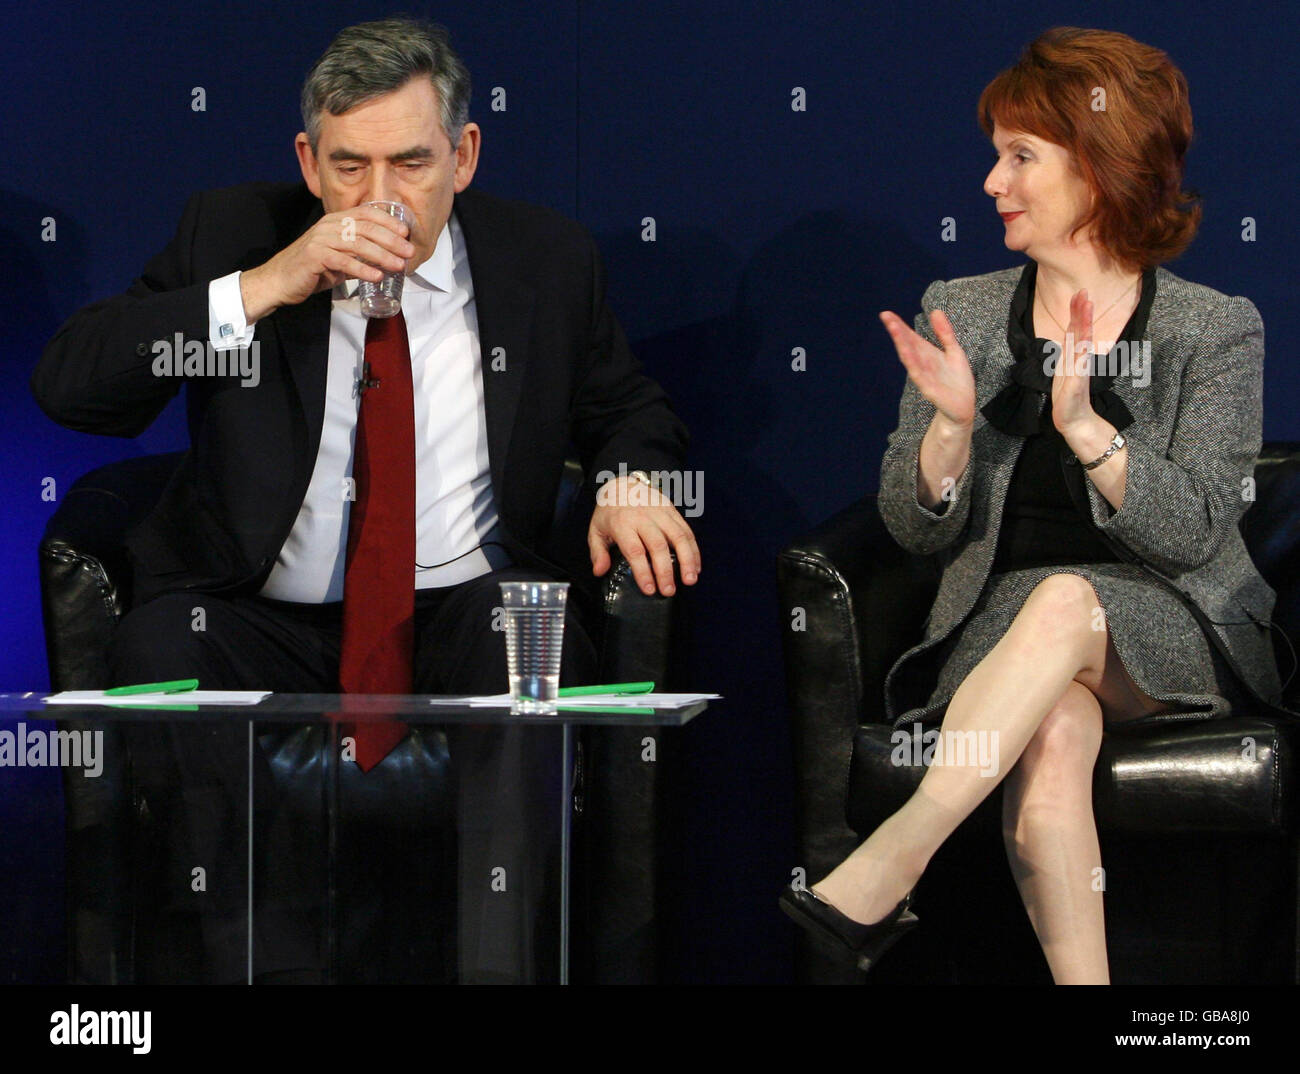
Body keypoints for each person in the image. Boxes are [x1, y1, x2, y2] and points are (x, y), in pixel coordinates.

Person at [33, 17, 700, 983]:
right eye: (349, 167)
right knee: (158, 650)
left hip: (461, 610)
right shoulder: (231, 233)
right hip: (262, 612)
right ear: (308, 162)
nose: (379, 200)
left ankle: (498, 973)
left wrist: (628, 477)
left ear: (463, 156)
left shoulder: (543, 261)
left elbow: (629, 408)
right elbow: (71, 386)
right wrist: (263, 287)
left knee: (525, 637)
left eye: (411, 163)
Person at [780, 26, 1283, 985]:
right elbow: (909, 526)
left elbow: (1196, 531)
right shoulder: (961, 310)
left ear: (1100, 166)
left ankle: (893, 857)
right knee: (1051, 758)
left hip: (1166, 624)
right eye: (996, 156)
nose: (991, 183)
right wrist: (950, 433)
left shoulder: (1215, 329)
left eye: (1020, 158)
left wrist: (1090, 430)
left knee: (1069, 599)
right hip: (1000, 627)